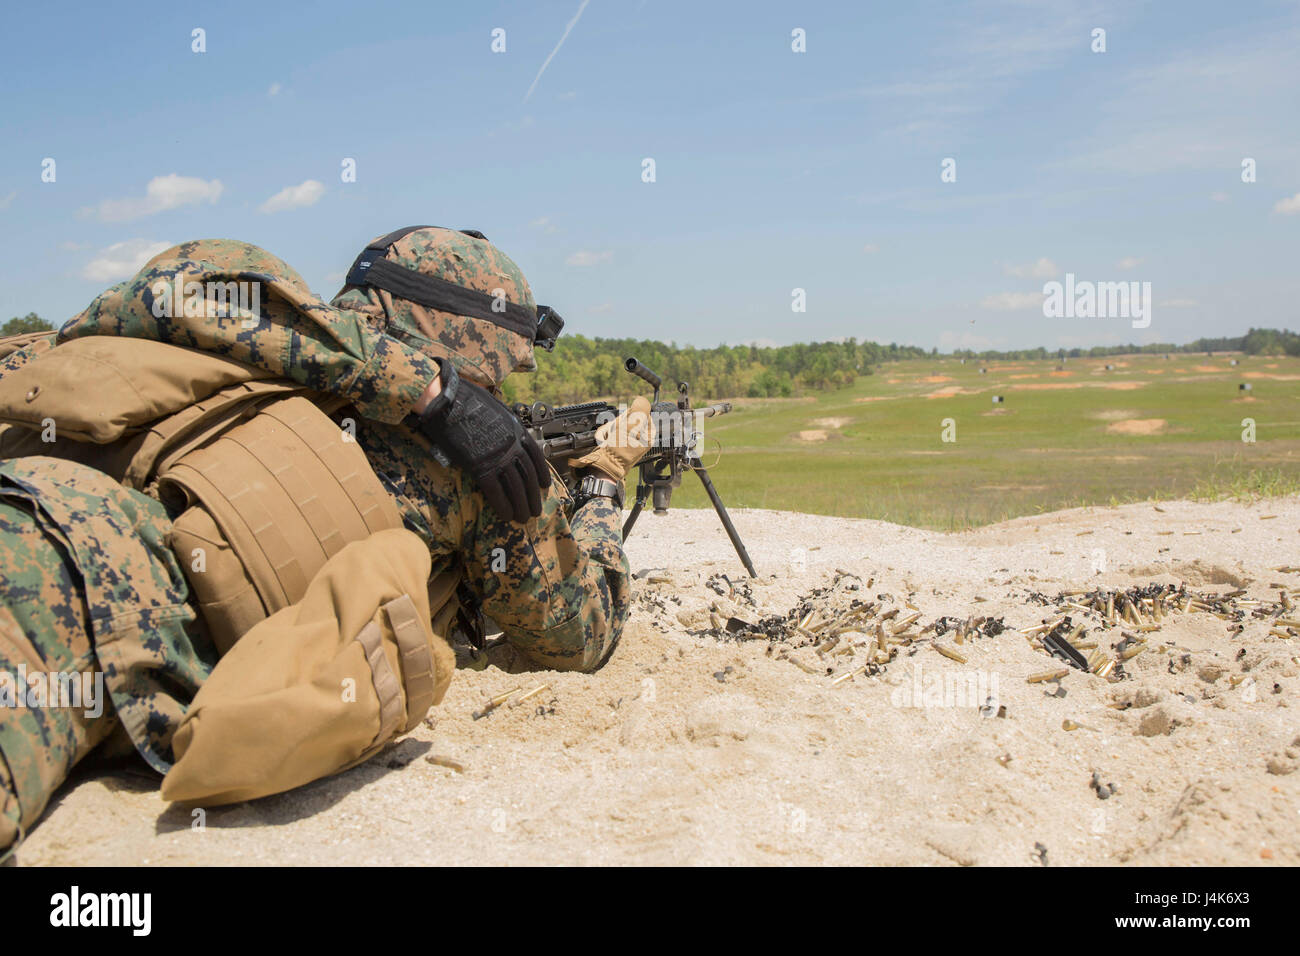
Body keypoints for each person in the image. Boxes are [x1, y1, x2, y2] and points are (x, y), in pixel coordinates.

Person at [0, 226, 652, 855]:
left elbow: (163, 292)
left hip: (41, 502)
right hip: (68, 579)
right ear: (479, 341)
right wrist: (600, 484)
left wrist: (421, 390)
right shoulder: (474, 462)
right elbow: (574, 633)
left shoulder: (255, 346)